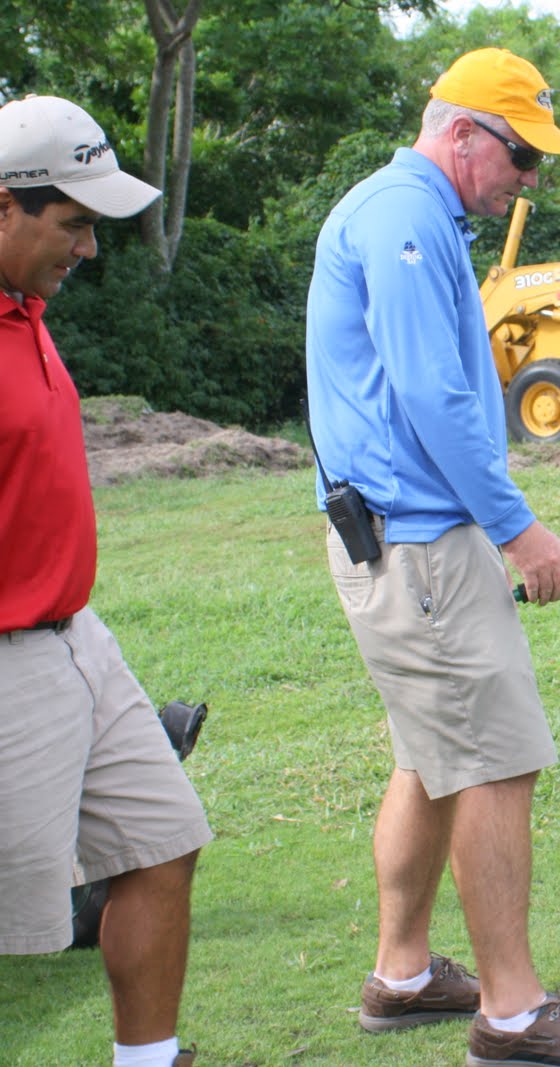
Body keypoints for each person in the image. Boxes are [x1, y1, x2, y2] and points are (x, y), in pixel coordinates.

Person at [304, 49, 560, 1067]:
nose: (528, 178)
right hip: (420, 544)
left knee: (433, 759)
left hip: (398, 540)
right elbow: (430, 395)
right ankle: (511, 1013)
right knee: (497, 759)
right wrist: (518, 529)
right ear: (461, 133)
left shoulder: (399, 210)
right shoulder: (404, 218)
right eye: (519, 153)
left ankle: (401, 973)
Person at [0, 95, 213, 1067]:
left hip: (78, 638)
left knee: (160, 841)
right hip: (9, 664)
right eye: (74, 223)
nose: (88, 247)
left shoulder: (26, 312)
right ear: (5, 206)